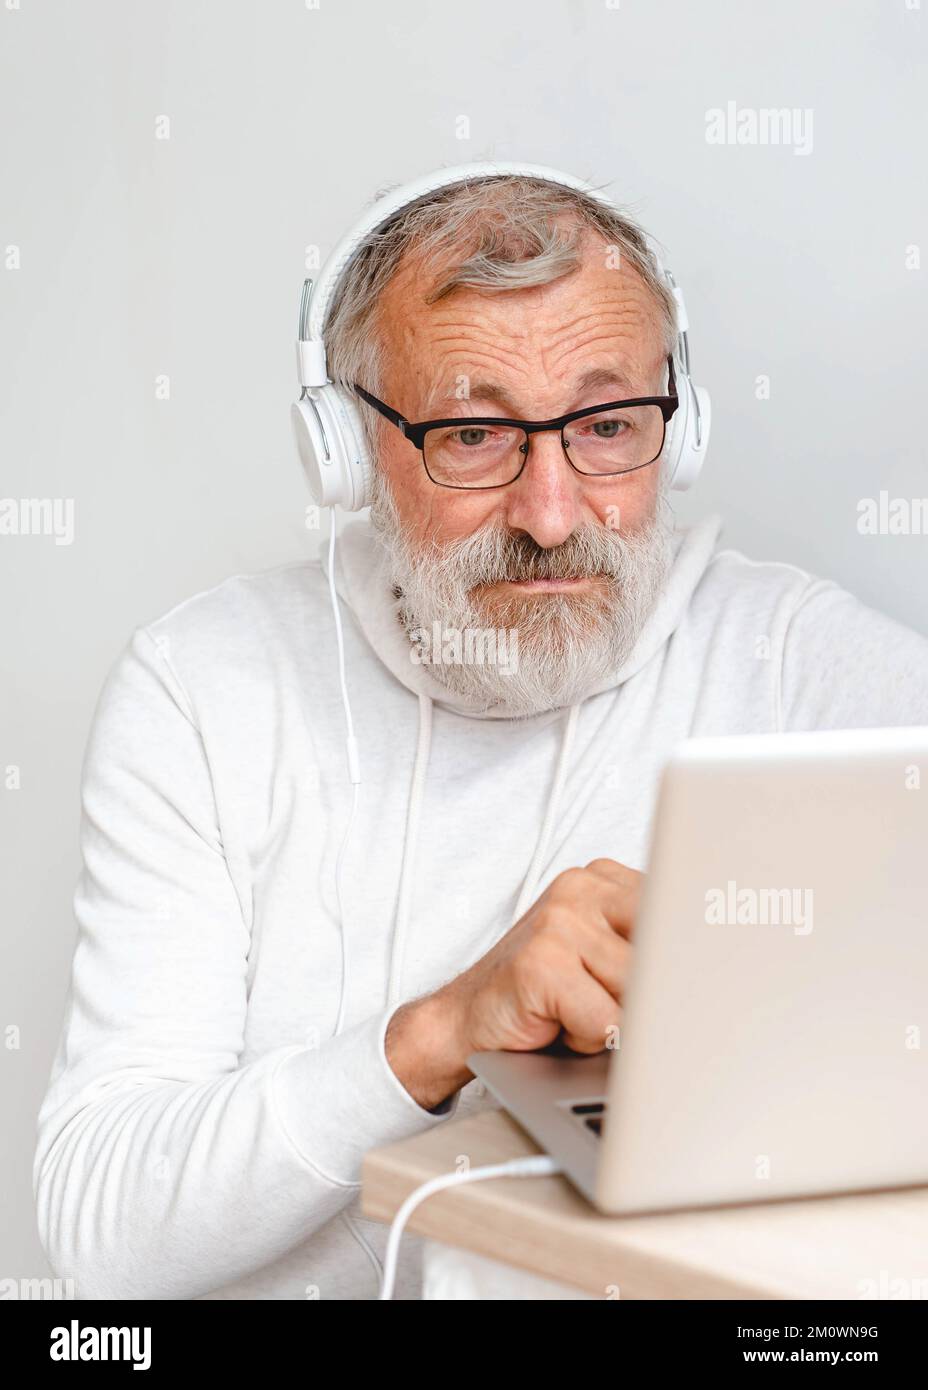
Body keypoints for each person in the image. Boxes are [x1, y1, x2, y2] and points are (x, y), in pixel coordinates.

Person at [33, 169, 928, 1300]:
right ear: (347, 453)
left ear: (680, 428)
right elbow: (103, 1245)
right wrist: (446, 1028)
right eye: (471, 434)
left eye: (607, 427)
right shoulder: (204, 689)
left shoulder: (802, 669)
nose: (551, 514)